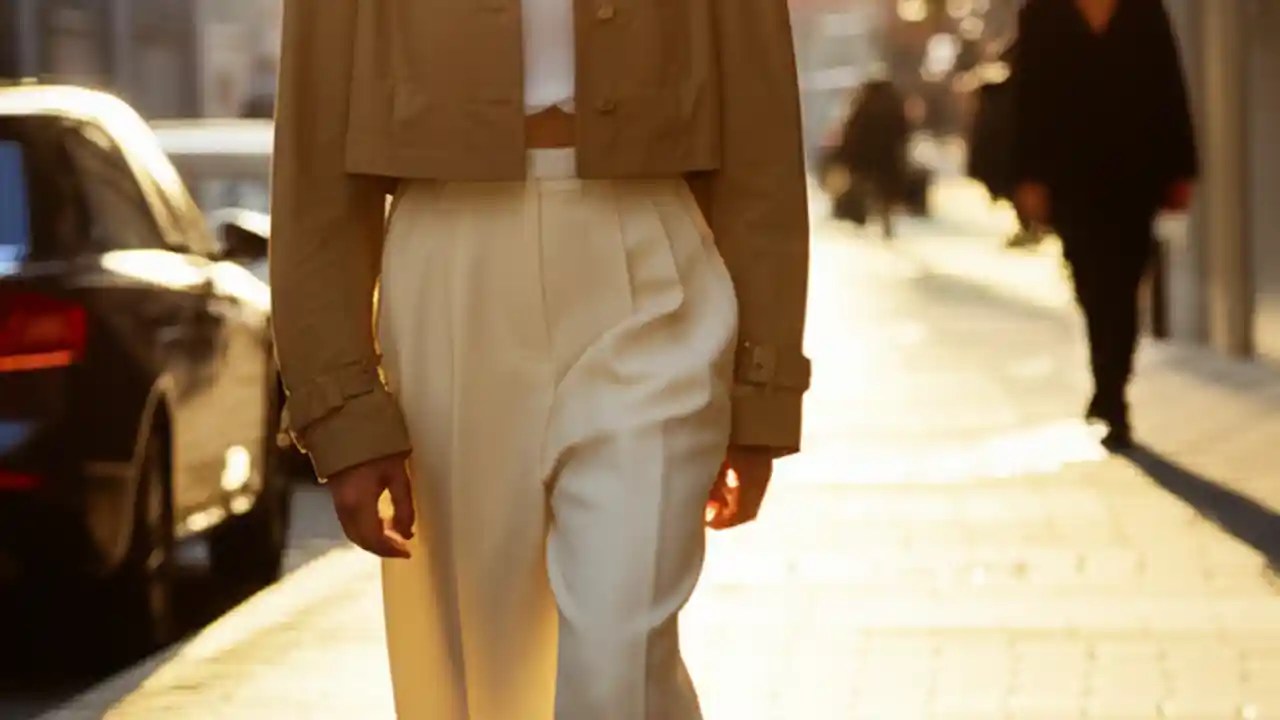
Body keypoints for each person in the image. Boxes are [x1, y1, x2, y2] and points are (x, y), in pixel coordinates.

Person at [269, 2, 811, 719]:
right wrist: (340, 401)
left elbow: (760, 129)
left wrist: (762, 387)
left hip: (651, 263)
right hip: (446, 262)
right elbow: (315, 141)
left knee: (624, 652)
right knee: (483, 676)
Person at [1013, 0, 1197, 450]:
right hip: (1071, 177)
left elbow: (1169, 87)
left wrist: (1182, 168)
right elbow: (1027, 97)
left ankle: (1113, 391)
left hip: (1136, 176)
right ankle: (1108, 383)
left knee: (1126, 281)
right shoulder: (1042, 12)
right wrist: (1028, 175)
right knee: (1092, 283)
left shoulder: (1143, 10)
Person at [837, 78, 910, 239]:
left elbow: (852, 133)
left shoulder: (863, 106)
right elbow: (903, 133)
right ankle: (885, 223)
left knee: (864, 187)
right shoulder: (894, 107)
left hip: (865, 158)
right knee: (885, 193)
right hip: (887, 159)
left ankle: (860, 219)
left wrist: (845, 155)